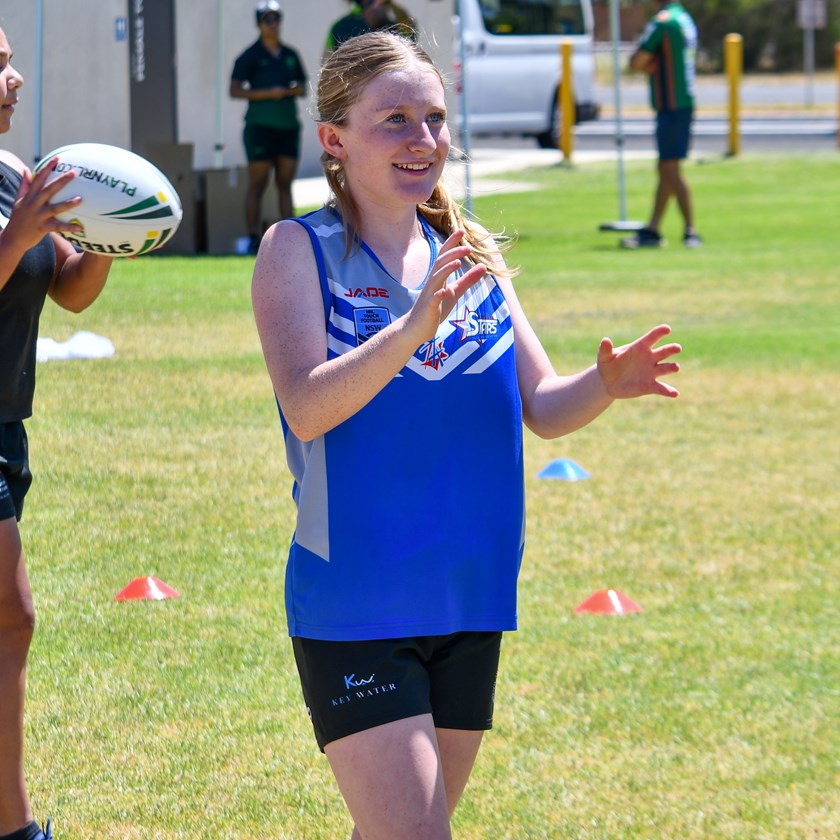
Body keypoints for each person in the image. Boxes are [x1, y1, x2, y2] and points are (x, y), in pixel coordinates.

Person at [251, 31, 681, 839]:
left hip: (470, 600)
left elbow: (544, 404)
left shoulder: (466, 248)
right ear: (334, 141)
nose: (423, 140)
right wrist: (414, 326)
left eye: (435, 118)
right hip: (358, 606)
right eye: (395, 120)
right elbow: (307, 408)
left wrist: (606, 385)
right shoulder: (295, 251)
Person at [0, 25, 115, 840]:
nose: (15, 79)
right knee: (13, 615)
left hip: (9, 428)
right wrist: (19, 233)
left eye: (10, 61)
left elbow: (70, 290)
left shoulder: (14, 174)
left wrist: (115, 235)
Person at [621, 0, 702, 249]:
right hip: (684, 101)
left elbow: (636, 61)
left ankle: (690, 231)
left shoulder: (664, 22)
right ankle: (653, 229)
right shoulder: (684, 18)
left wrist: (647, 62)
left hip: (671, 104)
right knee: (666, 168)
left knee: (670, 169)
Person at [230, 0, 308, 255]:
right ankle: (253, 237)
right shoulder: (250, 55)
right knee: (258, 183)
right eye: (267, 19)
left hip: (288, 126)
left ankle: (293, 236)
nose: (272, 24)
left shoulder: (290, 54)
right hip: (260, 127)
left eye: (276, 18)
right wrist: (267, 94)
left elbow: (305, 86)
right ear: (259, 23)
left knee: (285, 183)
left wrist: (294, 88)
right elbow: (235, 89)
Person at [325, 0, 416, 53]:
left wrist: (390, 3)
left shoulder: (396, 25)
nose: (373, 7)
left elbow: (409, 28)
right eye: (368, 3)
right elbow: (327, 60)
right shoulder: (341, 27)